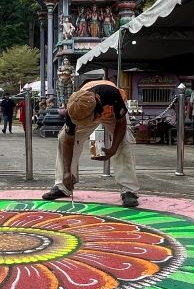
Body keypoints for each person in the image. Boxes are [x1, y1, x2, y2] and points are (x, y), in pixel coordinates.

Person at [42, 75, 139, 208]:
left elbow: (121, 124)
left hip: (112, 113)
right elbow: (69, 142)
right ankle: (63, 185)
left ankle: (129, 190)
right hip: (88, 111)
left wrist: (113, 148)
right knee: (63, 138)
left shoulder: (111, 94)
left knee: (125, 141)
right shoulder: (75, 106)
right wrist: (66, 171)